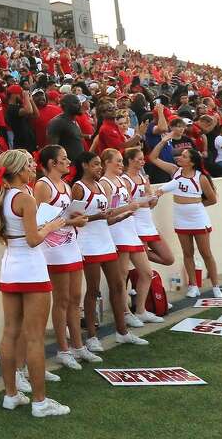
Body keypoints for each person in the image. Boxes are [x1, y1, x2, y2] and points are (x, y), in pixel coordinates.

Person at [0, 149, 70, 418]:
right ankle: (39, 402)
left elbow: (5, 235)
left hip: (10, 267)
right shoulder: (25, 197)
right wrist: (55, 224)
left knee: (10, 332)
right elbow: (34, 239)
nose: (33, 169)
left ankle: (10, 395)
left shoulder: (1, 196)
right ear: (18, 170)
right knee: (35, 337)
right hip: (32, 269)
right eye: (28, 165)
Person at [72, 150, 147, 352]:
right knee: (93, 290)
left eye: (99, 164)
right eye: (95, 164)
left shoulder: (99, 186)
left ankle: (122, 332)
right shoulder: (78, 188)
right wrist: (100, 217)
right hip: (88, 243)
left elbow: (107, 216)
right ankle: (92, 336)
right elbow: (75, 221)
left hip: (105, 240)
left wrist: (120, 217)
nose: (99, 168)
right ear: (85, 165)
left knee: (116, 285)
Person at [32, 144, 94, 372]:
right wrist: (71, 222)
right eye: (64, 158)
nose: (69, 162)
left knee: (75, 297)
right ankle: (63, 349)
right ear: (52, 163)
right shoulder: (42, 185)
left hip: (70, 244)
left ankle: (77, 345)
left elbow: (63, 215)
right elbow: (39, 222)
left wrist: (77, 217)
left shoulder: (67, 186)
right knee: (61, 299)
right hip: (53, 248)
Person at [150, 142, 222, 298]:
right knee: (187, 253)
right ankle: (193, 285)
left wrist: (195, 205)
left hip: (197, 218)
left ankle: (216, 286)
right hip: (180, 217)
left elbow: (212, 199)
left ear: (191, 162)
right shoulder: (175, 171)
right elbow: (153, 158)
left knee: (205, 252)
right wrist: (163, 141)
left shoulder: (200, 177)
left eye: (184, 156)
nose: (179, 157)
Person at [100, 148, 161, 330]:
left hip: (130, 229)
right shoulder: (105, 183)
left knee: (146, 272)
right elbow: (108, 214)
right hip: (118, 231)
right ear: (107, 163)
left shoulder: (120, 181)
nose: (120, 164)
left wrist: (149, 199)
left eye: (121, 161)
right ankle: (125, 313)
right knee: (121, 277)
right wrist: (129, 208)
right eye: (117, 161)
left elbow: (131, 204)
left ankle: (140, 310)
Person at [46, 94, 85, 175]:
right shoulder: (57, 122)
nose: (80, 105)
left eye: (79, 102)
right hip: (67, 171)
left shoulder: (74, 121)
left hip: (78, 168)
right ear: (65, 105)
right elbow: (53, 150)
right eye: (76, 103)